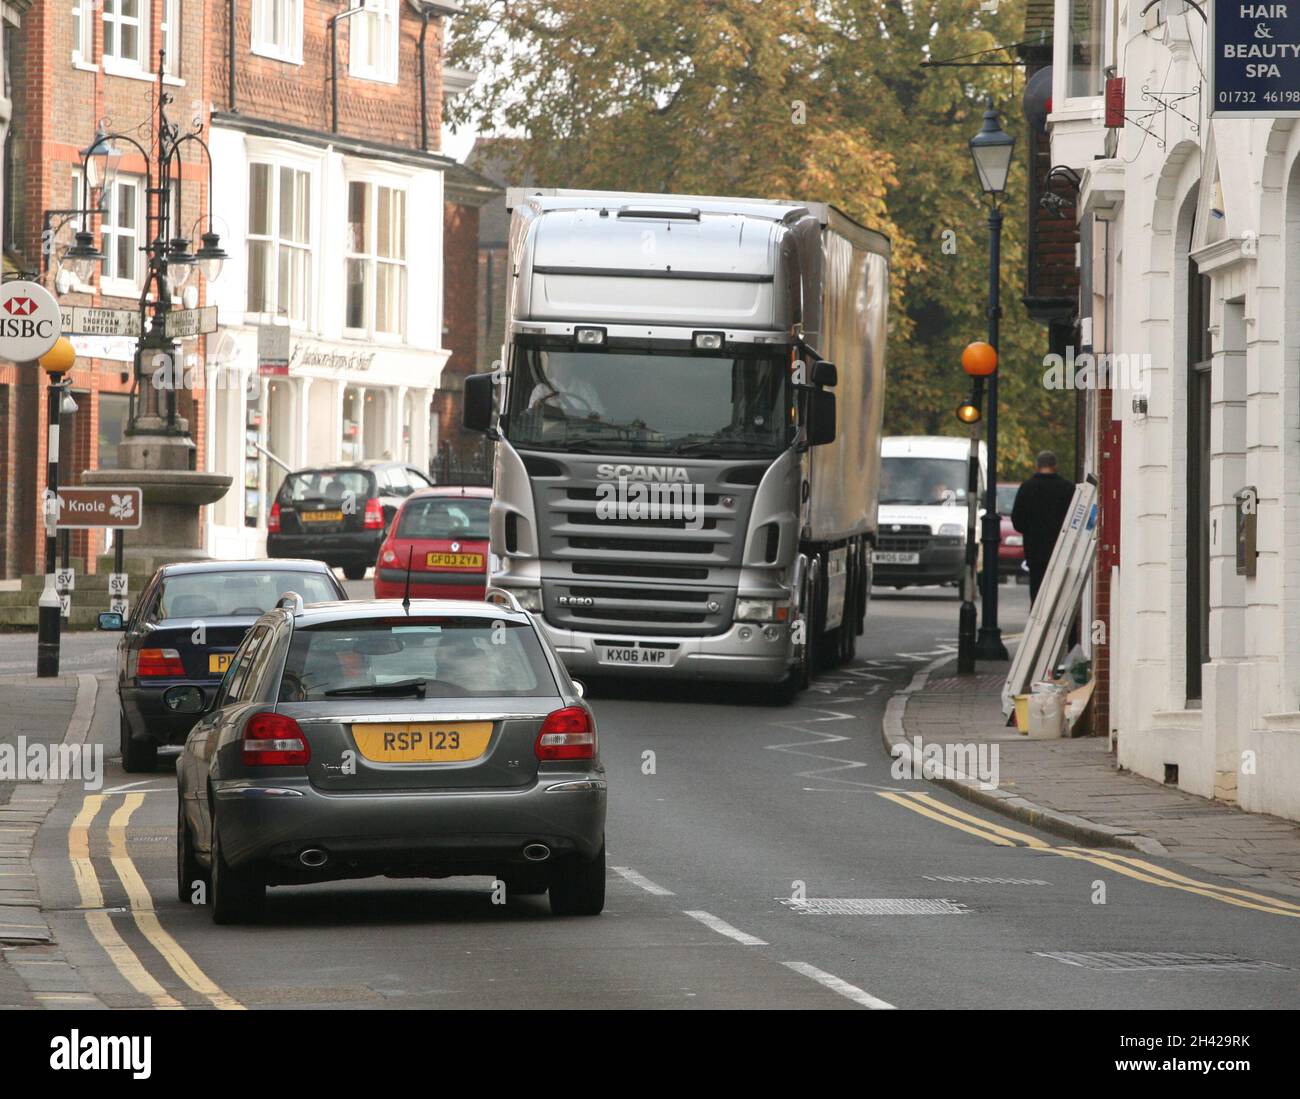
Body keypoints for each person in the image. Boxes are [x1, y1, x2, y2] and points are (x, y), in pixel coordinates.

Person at [1011, 450, 1075, 605]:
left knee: (1037, 593)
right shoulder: (1067, 488)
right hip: (1061, 550)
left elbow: (1017, 521)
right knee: (1060, 595)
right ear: (1055, 466)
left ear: (1036, 466)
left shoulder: (1027, 488)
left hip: (1035, 551)